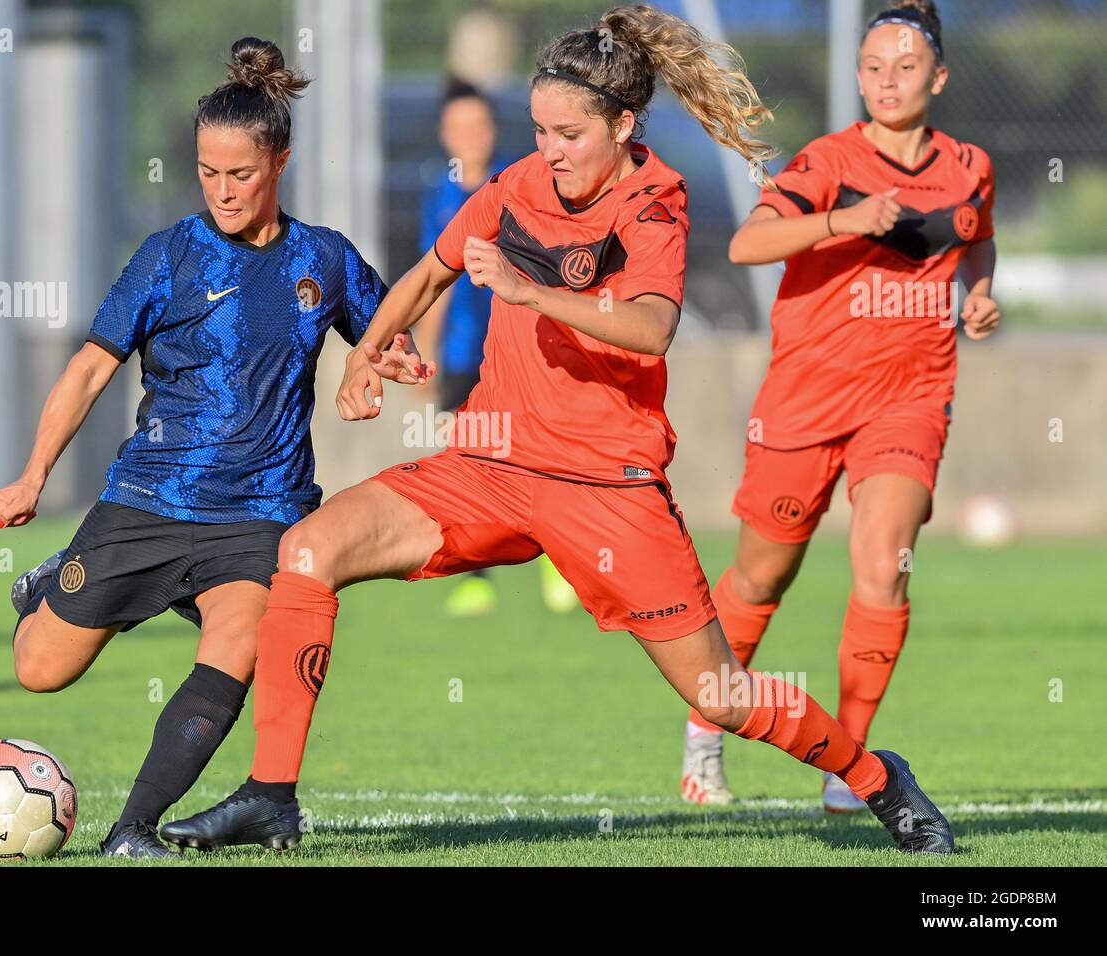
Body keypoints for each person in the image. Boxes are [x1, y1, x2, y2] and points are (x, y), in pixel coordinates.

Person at [162, 4, 955, 856]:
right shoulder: (514, 187)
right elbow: (431, 272)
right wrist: (365, 357)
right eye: (540, 129)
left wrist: (532, 292)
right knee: (308, 553)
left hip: (606, 489)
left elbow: (652, 325)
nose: (551, 149)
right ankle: (271, 794)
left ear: (623, 126)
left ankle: (878, 779)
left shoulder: (657, 201)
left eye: (570, 133)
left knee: (722, 696)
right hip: (489, 466)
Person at [0, 38, 414, 857]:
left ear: (280, 161)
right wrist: (32, 474)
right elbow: (86, 370)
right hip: (149, 499)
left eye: (240, 174)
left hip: (262, 514)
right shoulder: (167, 256)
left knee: (240, 644)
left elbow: (388, 335)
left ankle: (131, 830)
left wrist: (390, 359)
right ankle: (51, 583)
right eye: (206, 172)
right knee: (39, 669)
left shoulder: (322, 257)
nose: (221, 190)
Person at [679, 0, 999, 813]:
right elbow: (747, 244)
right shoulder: (828, 161)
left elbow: (975, 232)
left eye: (904, 67)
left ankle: (849, 766)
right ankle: (705, 732)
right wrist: (843, 220)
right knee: (761, 573)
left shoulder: (969, 164)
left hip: (912, 396)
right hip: (806, 399)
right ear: (857, 77)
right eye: (873, 68)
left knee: (883, 561)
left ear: (939, 76)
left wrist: (980, 292)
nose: (887, 82)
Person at [416, 77, 578, 618]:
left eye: (479, 125)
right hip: (464, 354)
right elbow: (433, 281)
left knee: (537, 451)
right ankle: (475, 577)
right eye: (459, 126)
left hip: (523, 349)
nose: (471, 136)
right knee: (467, 463)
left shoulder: (521, 181)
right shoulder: (440, 198)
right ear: (445, 133)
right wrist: (428, 354)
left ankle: (557, 557)